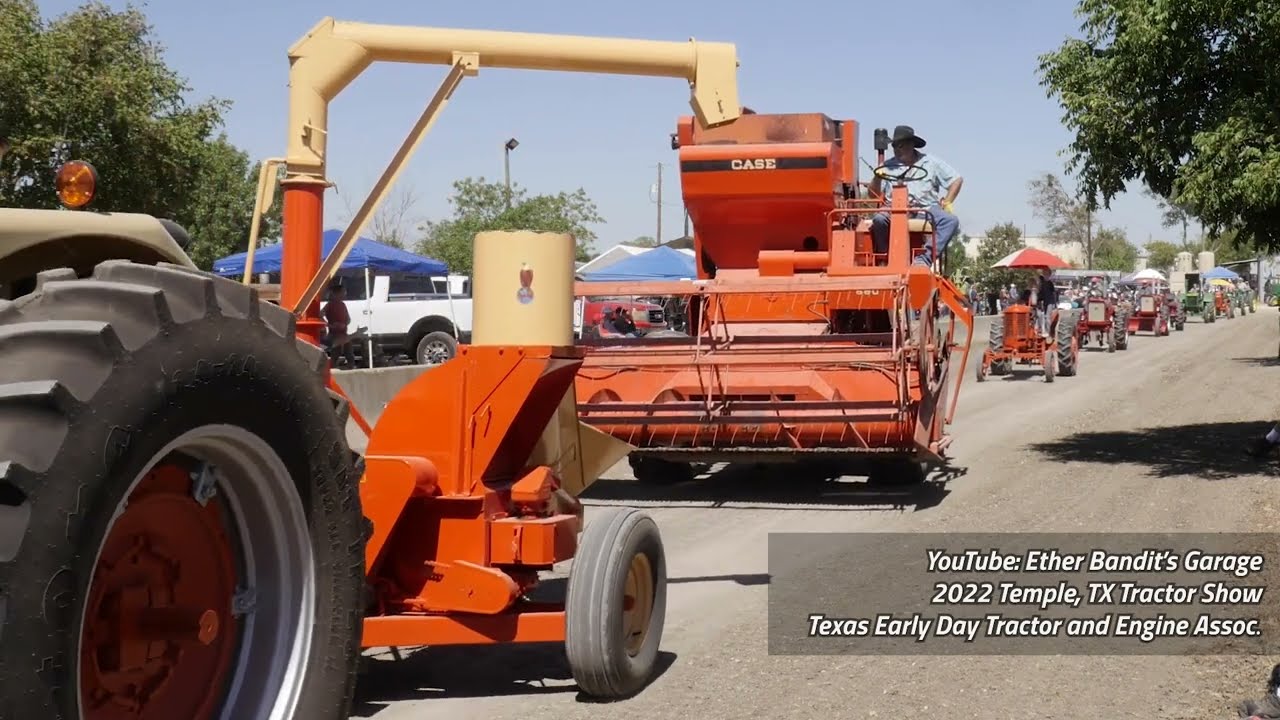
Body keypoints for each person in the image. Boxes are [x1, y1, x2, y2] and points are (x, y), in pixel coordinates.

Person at [868, 125, 963, 267]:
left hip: (926, 209)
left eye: (901, 145)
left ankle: (924, 258)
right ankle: (884, 257)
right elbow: (872, 195)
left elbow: (957, 179)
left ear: (912, 145)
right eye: (895, 146)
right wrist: (877, 178)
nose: (897, 150)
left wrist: (948, 201)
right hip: (893, 210)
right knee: (879, 219)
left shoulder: (931, 162)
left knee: (951, 221)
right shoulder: (887, 166)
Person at [322, 280, 355, 365]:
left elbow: (348, 319)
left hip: (343, 333)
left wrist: (344, 324)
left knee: (349, 353)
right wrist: (330, 325)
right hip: (334, 334)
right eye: (343, 292)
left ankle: (350, 366)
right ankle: (332, 367)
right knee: (336, 353)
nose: (345, 294)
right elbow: (320, 315)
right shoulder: (329, 305)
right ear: (336, 293)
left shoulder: (343, 304)